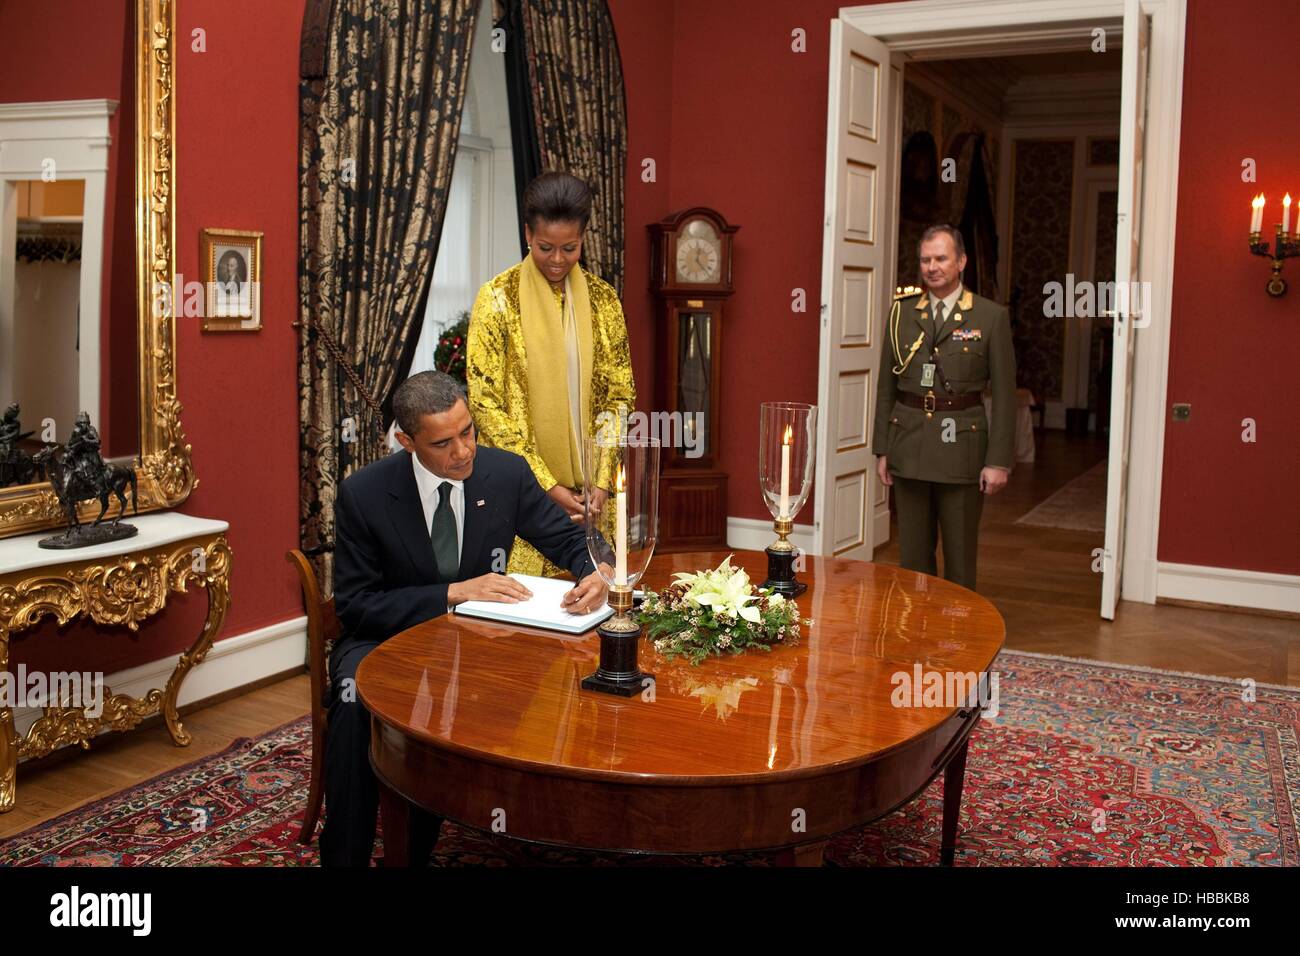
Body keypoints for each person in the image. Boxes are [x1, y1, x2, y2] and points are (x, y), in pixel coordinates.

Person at [322, 370, 609, 867]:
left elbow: (569, 541)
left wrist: (598, 570)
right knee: (353, 707)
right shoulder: (364, 495)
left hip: (479, 639)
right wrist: (451, 592)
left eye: (468, 431)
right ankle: (344, 855)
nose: (463, 452)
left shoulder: (506, 473)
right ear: (406, 441)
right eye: (443, 442)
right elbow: (356, 605)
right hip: (385, 638)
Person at [467, 171, 635, 578]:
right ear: (527, 233)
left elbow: (620, 394)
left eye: (569, 248)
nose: (557, 260)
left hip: (593, 499)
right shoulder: (496, 300)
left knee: (598, 605)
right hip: (524, 498)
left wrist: (600, 480)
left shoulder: (603, 300)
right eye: (545, 247)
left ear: (583, 238)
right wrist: (545, 485)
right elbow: (485, 405)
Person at [872, 224, 1016, 591]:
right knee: (913, 557)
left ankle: (959, 637)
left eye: (941, 258)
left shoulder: (989, 316)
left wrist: (998, 460)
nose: (932, 266)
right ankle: (917, 628)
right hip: (910, 446)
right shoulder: (901, 313)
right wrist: (883, 448)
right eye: (925, 259)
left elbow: (1003, 394)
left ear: (961, 261)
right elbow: (887, 385)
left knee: (959, 555)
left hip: (961, 452)